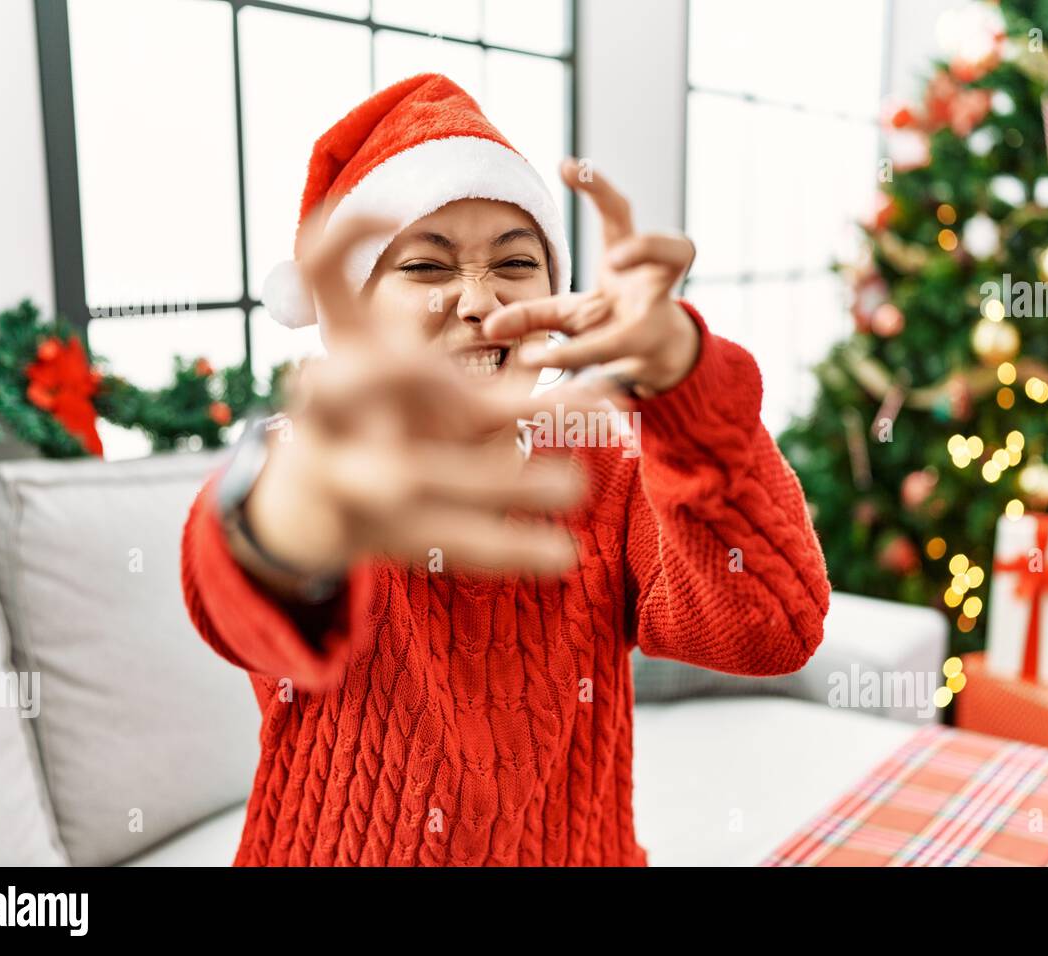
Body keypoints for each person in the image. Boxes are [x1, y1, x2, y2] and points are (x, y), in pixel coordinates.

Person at [180, 73, 830, 866]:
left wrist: (685, 385)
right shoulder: (320, 473)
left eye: (515, 263)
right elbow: (235, 584)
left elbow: (772, 628)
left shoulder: (606, 466)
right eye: (427, 268)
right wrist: (293, 516)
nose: (480, 303)